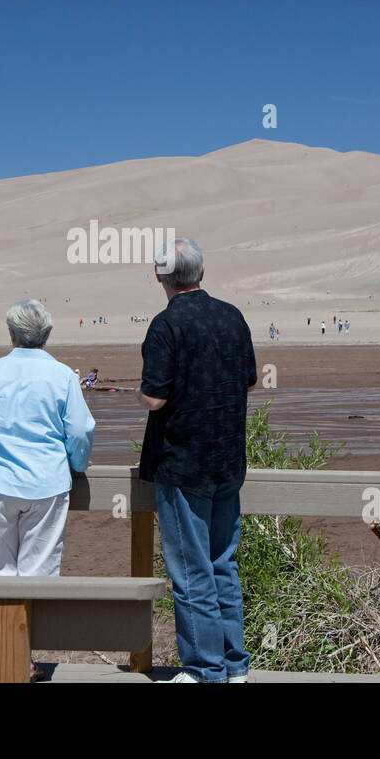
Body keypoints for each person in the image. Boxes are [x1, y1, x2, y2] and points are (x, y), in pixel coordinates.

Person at [0, 300, 94, 680]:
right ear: (46, 335)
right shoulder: (62, 376)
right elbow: (80, 430)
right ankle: (22, 657)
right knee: (39, 571)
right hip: (48, 484)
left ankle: (4, 657)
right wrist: (77, 464)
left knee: (0, 568)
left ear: (12, 333)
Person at [139, 238, 257, 683]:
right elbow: (248, 382)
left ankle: (206, 669)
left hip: (183, 465)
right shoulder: (232, 316)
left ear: (159, 277)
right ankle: (233, 665)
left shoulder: (165, 325)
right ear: (202, 273)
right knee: (223, 564)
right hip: (228, 462)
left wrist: (141, 394)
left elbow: (154, 397)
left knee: (191, 572)